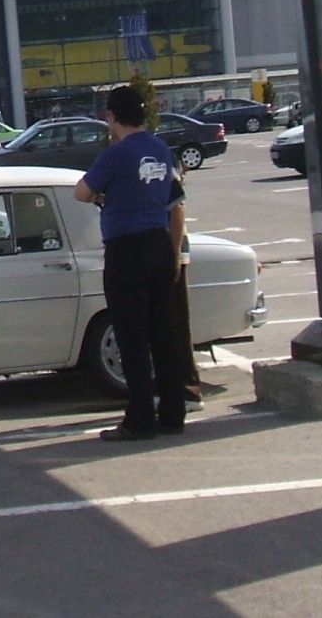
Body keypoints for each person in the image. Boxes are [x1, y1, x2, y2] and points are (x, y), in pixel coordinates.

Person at [74, 85, 185, 441]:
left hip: (125, 250)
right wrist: (174, 254)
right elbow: (174, 204)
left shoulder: (115, 154)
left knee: (133, 337)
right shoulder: (162, 150)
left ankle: (140, 419)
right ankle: (172, 413)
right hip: (158, 244)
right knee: (164, 335)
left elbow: (82, 191)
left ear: (111, 117)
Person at [169, 162, 203, 410]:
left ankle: (188, 389)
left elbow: (177, 208)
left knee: (176, 322)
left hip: (172, 252)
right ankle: (174, 388)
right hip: (158, 251)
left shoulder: (158, 162)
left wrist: (174, 255)